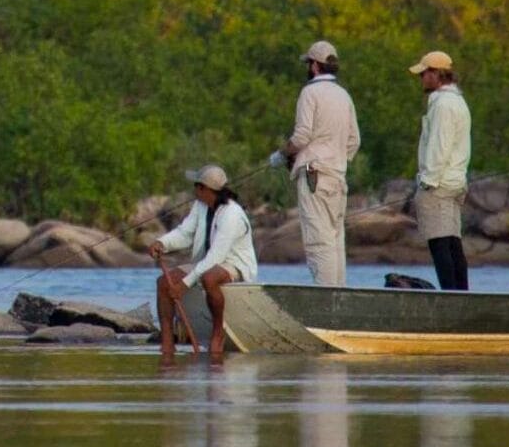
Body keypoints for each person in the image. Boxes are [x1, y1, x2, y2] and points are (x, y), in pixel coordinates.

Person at [146, 165, 257, 369]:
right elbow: (185, 233)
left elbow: (217, 256)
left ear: (205, 189)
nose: (194, 190)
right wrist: (162, 243)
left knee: (209, 278)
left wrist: (185, 284)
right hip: (205, 262)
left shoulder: (232, 214)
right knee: (163, 282)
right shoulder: (200, 206)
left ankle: (217, 333)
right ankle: (168, 343)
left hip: (233, 263)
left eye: (197, 186)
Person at [270, 40, 358, 286]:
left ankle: (327, 301)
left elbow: (301, 136)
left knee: (319, 241)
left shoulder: (310, 92)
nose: (307, 67)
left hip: (314, 177)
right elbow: (354, 140)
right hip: (337, 177)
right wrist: (337, 159)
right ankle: (339, 296)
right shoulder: (344, 95)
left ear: (316, 65)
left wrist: (282, 155)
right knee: (335, 239)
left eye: (309, 63)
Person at [411, 51, 471, 290]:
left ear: (437, 74)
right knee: (453, 244)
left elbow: (439, 147)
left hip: (439, 184)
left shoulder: (443, 104)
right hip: (454, 182)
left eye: (424, 73)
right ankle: (461, 295)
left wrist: (427, 181)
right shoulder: (456, 101)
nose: (422, 78)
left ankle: (451, 297)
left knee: (440, 244)